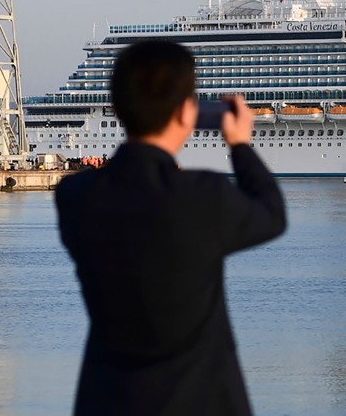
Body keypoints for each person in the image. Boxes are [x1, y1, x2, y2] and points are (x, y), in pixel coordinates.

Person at [55, 40, 286, 415]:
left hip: (107, 403)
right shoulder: (204, 196)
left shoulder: (75, 197)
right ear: (186, 113)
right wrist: (240, 145)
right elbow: (272, 213)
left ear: (116, 108)